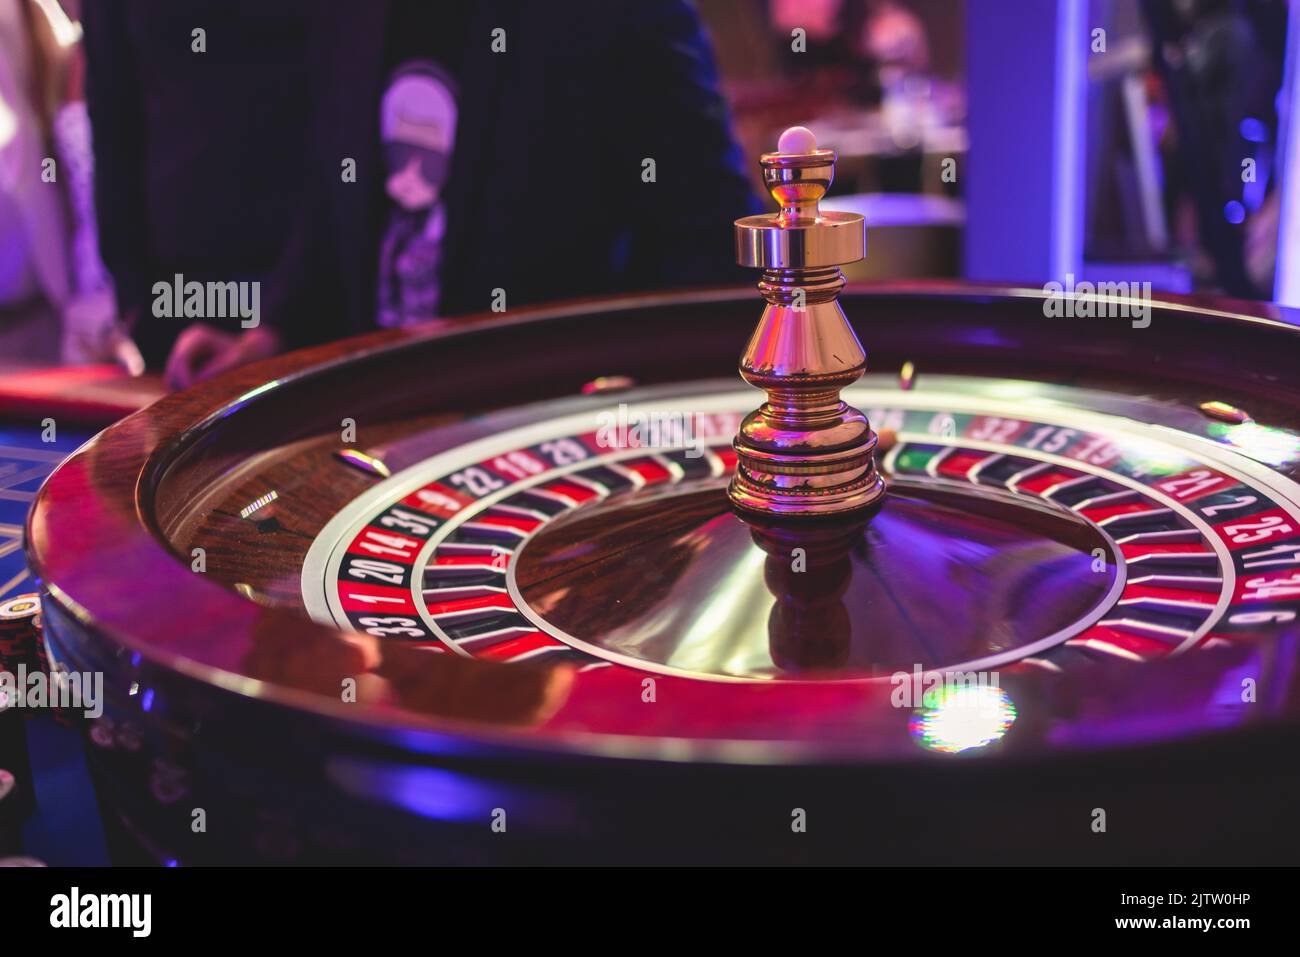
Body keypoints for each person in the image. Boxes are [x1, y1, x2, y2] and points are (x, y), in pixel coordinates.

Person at [158, 1, 761, 390]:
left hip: (551, 458)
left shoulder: (617, 13)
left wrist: (635, 393)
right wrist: (273, 334)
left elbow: (711, 242)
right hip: (372, 434)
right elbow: (338, 199)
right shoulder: (345, 15)